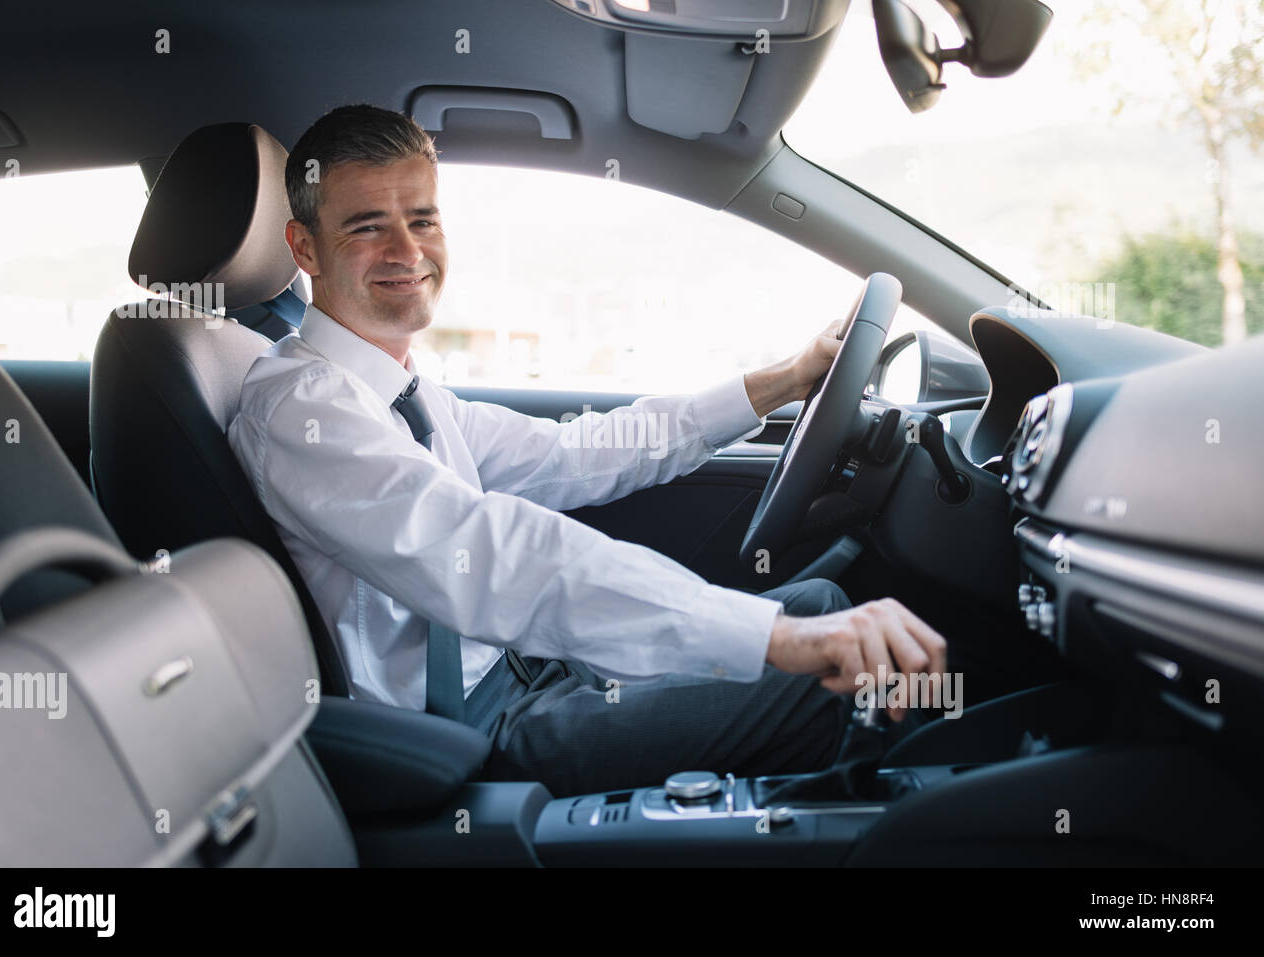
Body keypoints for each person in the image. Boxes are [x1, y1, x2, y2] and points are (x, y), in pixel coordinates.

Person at [228, 104, 947, 797]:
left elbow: (574, 452)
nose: (409, 252)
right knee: (830, 674)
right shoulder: (303, 408)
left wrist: (783, 381)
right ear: (303, 247)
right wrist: (768, 637)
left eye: (423, 219)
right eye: (367, 227)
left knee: (821, 604)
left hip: (532, 672)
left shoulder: (399, 389)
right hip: (469, 731)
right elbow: (486, 551)